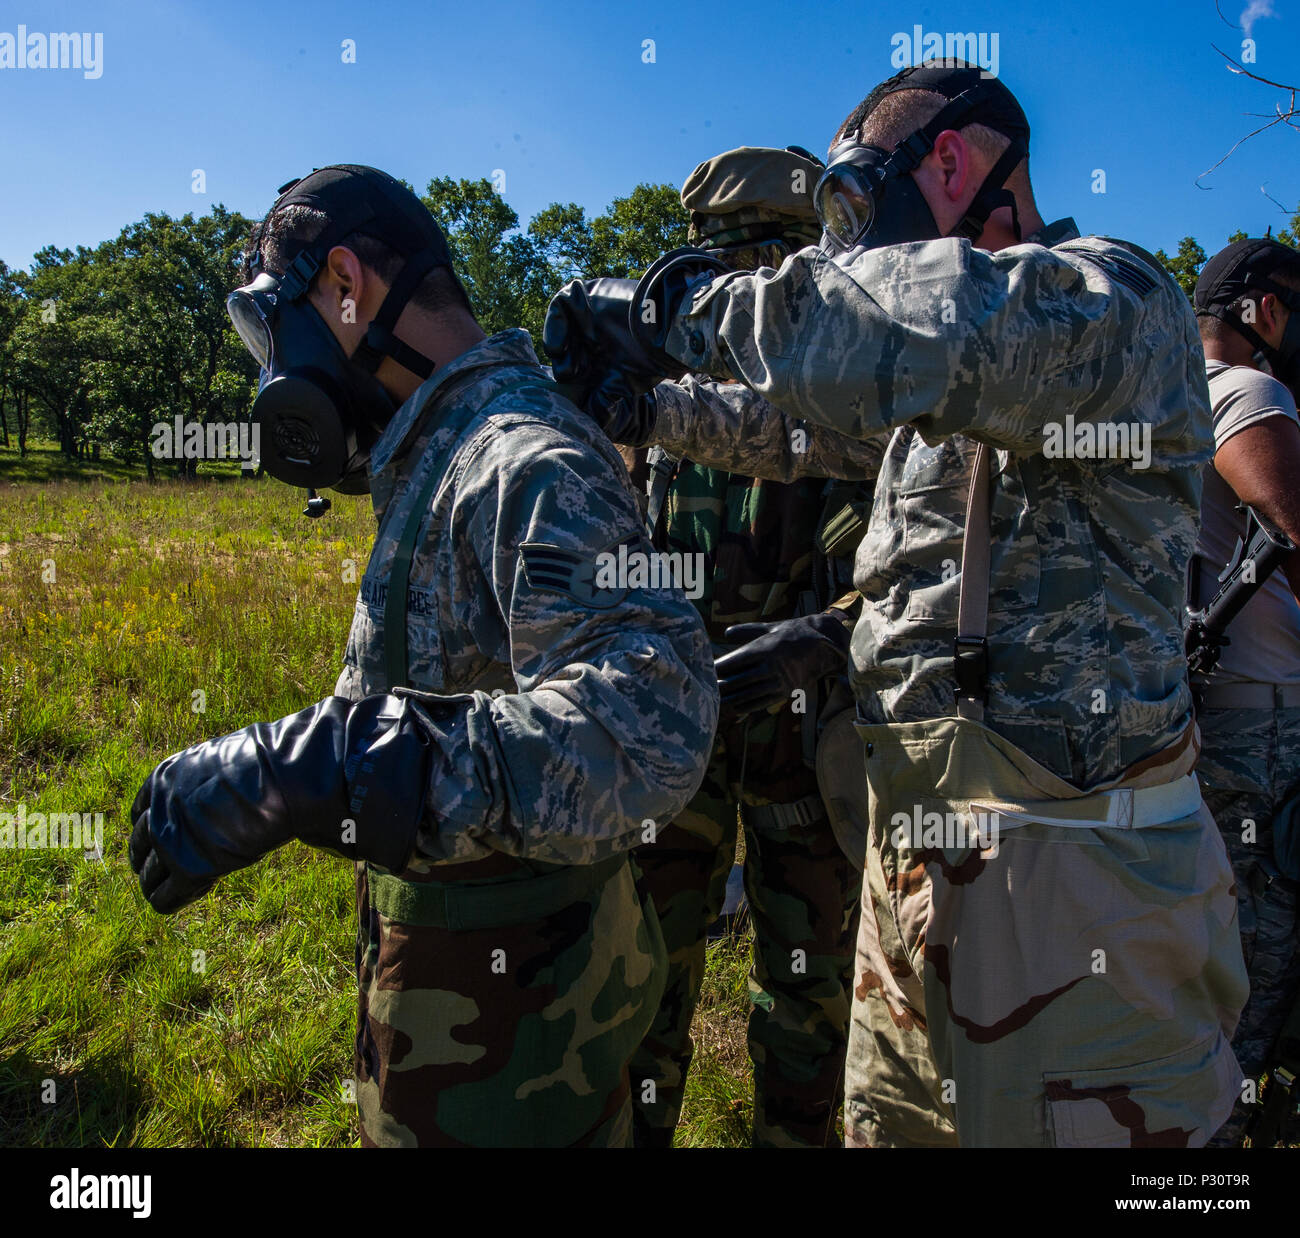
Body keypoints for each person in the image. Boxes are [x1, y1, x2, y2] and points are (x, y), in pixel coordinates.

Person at [545, 62, 1249, 1147]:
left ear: (952, 163)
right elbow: (795, 431)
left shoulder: (1110, 301)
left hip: (1073, 882)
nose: (836, 244)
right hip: (919, 856)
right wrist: (648, 402)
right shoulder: (945, 381)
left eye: (851, 203)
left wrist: (667, 305)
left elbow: (892, 328)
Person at [128, 164, 718, 1148]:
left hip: (523, 1070)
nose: (271, 366)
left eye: (273, 324)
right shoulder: (447, 447)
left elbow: (650, 728)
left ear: (347, 285)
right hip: (474, 1041)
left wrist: (340, 764)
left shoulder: (522, 456)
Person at [624, 146, 880, 1147]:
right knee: (643, 974)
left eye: (760, 258)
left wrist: (821, 636)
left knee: (808, 988)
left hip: (809, 729)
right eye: (719, 259)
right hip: (673, 722)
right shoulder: (645, 382)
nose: (734, 281)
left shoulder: (852, 380)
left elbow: (903, 562)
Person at [1188, 238, 1300, 1146]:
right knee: (1261, 965)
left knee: (1212, 953)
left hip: (1208, 723)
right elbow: (1292, 528)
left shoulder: (1161, 392)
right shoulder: (1250, 393)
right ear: (1264, 311)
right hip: (1266, 731)